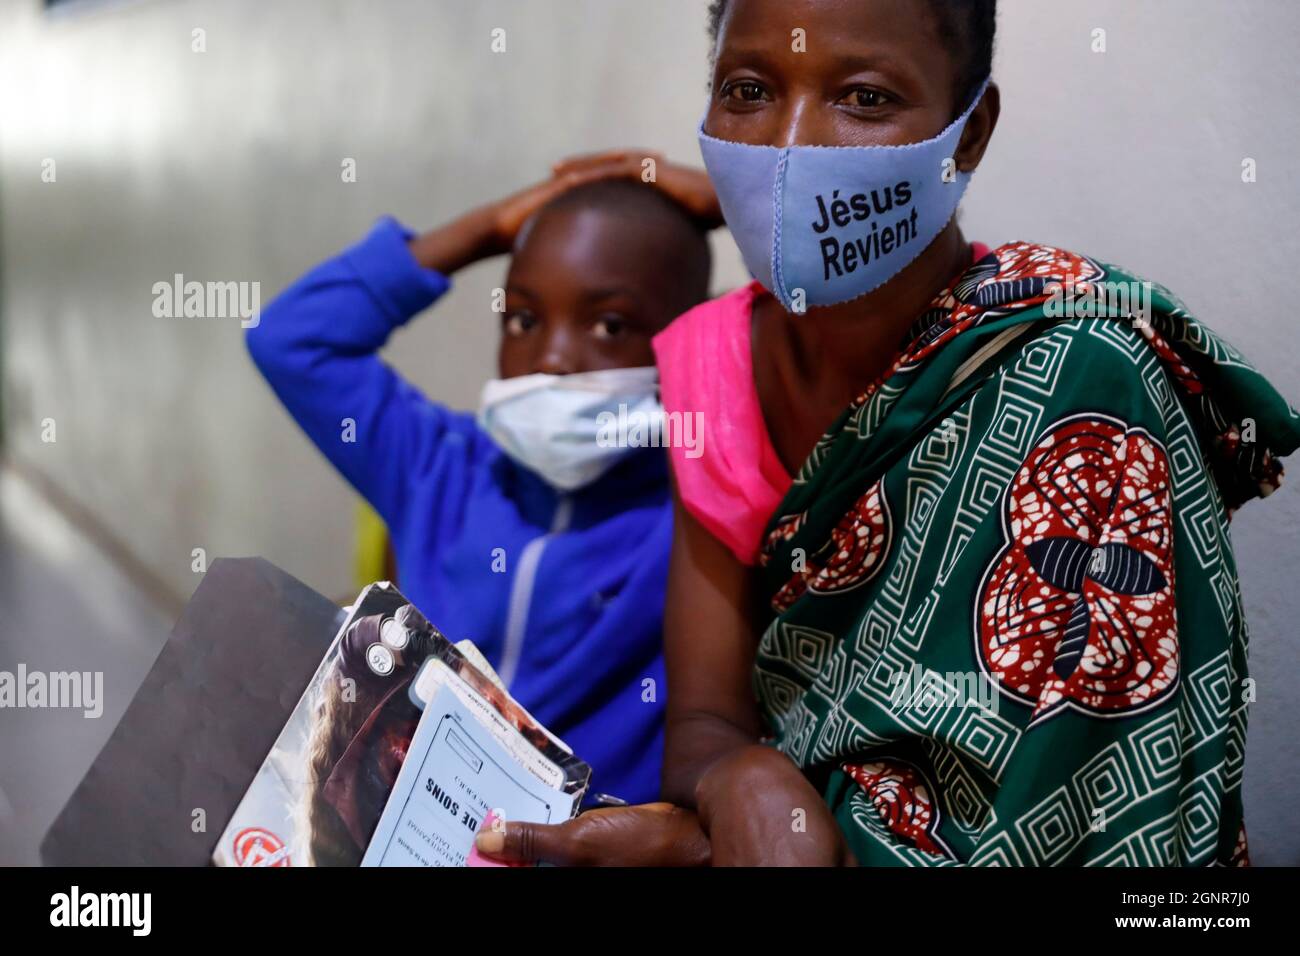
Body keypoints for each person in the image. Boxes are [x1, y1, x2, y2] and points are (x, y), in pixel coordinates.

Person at [476, 0, 1300, 866]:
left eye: (864, 99)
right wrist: (742, 779)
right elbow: (705, 722)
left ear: (969, 131)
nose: (791, 145)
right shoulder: (709, 370)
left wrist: (705, 845)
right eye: (748, 90)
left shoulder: (1081, 377)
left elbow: (1087, 794)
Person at [246, 166, 713, 805]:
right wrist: (488, 228)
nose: (551, 357)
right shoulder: (439, 467)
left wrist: (731, 204)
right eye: (522, 319)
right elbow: (292, 340)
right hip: (408, 828)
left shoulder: (696, 503)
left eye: (608, 326)